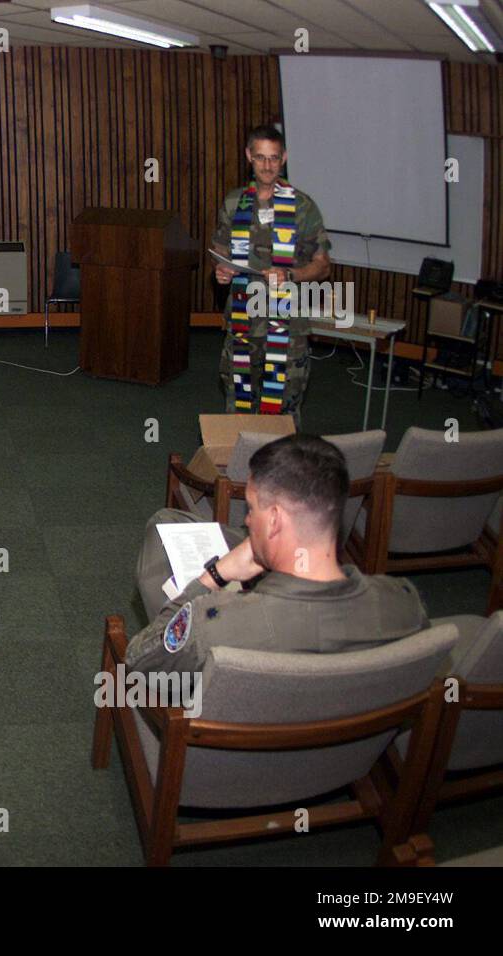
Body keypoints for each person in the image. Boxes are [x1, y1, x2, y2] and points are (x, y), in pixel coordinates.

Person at [127, 434, 428, 676]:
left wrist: (213, 576)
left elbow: (140, 659)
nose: (246, 521)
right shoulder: (405, 602)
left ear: (274, 520)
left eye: (251, 508)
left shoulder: (217, 627)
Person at [211, 125, 331, 422]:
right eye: (260, 158)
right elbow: (220, 248)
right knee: (237, 404)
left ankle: (283, 468)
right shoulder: (234, 202)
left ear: (284, 158)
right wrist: (222, 269)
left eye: (274, 158)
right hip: (243, 321)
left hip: (288, 326)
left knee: (283, 412)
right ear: (249, 156)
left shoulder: (303, 207)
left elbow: (323, 265)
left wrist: (290, 275)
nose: (267, 166)